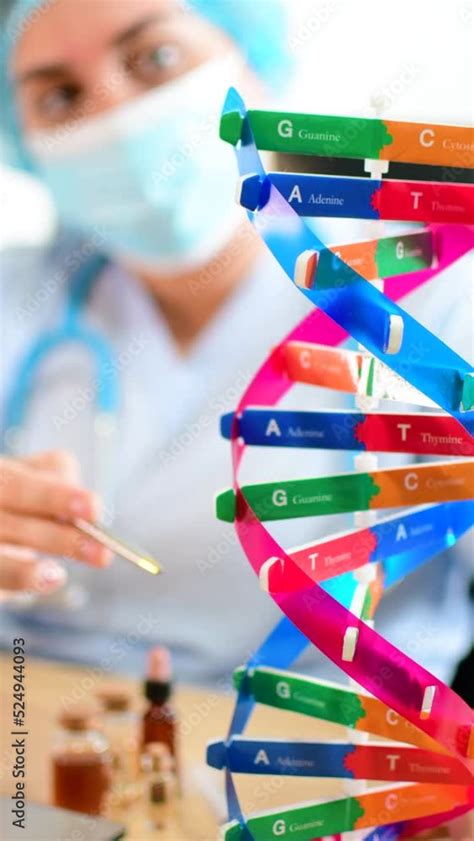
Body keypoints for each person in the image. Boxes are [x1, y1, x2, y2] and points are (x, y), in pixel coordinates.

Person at [0, 0, 472, 688]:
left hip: (325, 761)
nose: (113, 113)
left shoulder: (431, 292)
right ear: (24, 142)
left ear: (253, 64)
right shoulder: (21, 295)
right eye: (60, 95)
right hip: (33, 734)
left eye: (154, 58)